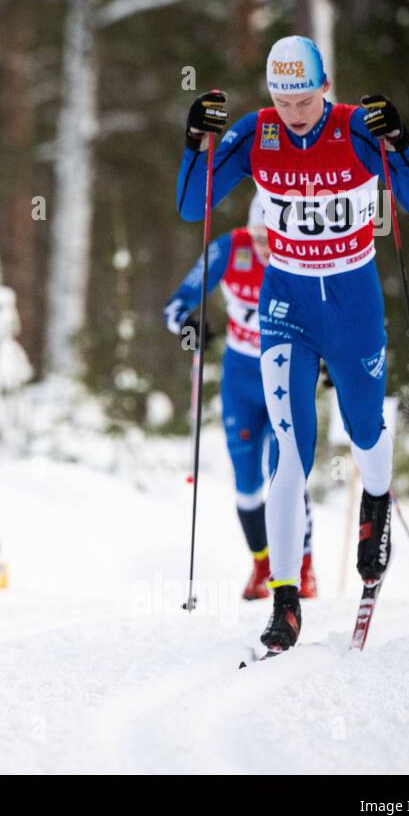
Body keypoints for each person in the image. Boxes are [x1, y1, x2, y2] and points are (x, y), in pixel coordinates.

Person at [175, 36, 409, 653]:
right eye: (281, 99)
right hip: (286, 306)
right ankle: (286, 601)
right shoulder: (257, 133)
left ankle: (377, 497)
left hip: (352, 304)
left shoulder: (353, 128)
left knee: (364, 427)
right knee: (289, 455)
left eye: (303, 98)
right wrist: (194, 143)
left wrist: (399, 143)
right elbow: (195, 205)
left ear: (326, 87)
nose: (293, 113)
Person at [163, 199, 316, 601]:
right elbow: (177, 303)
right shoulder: (231, 247)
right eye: (259, 237)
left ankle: (302, 567)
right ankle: (262, 565)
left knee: (285, 470)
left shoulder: (304, 254)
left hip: (287, 372)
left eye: (273, 238)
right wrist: (188, 325)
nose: (265, 247)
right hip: (242, 377)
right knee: (246, 483)